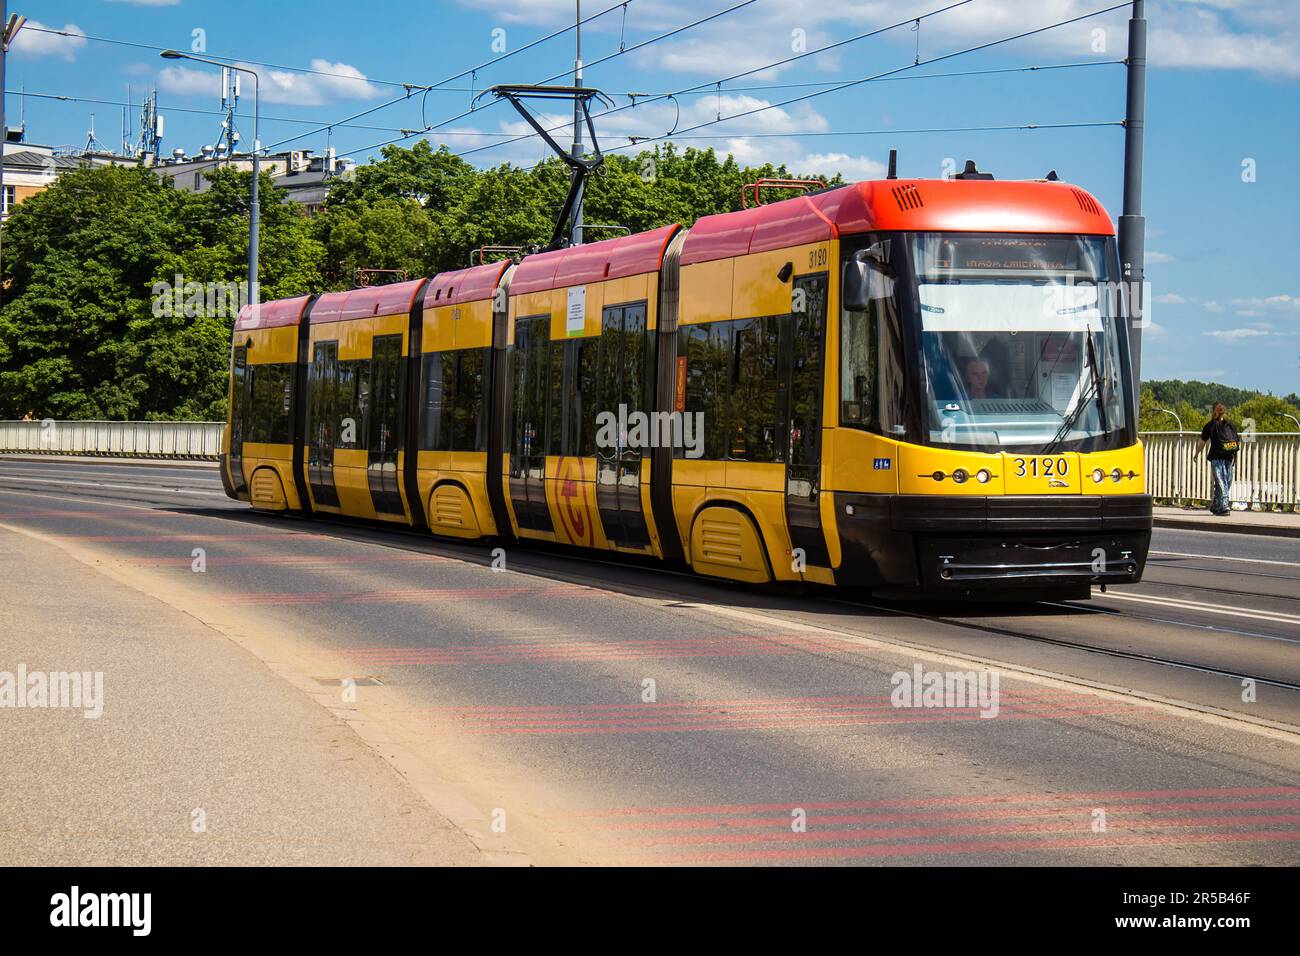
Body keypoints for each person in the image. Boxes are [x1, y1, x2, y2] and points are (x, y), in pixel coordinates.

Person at [1193, 402, 1240, 516]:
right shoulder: (1231, 425)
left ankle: (1220, 505)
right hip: (1229, 457)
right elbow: (1236, 442)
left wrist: (1196, 454)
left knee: (1221, 482)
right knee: (1225, 482)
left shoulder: (1210, 425)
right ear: (1225, 412)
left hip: (1216, 457)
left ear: (1213, 411)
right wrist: (1235, 457)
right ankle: (1221, 504)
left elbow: (1202, 442)